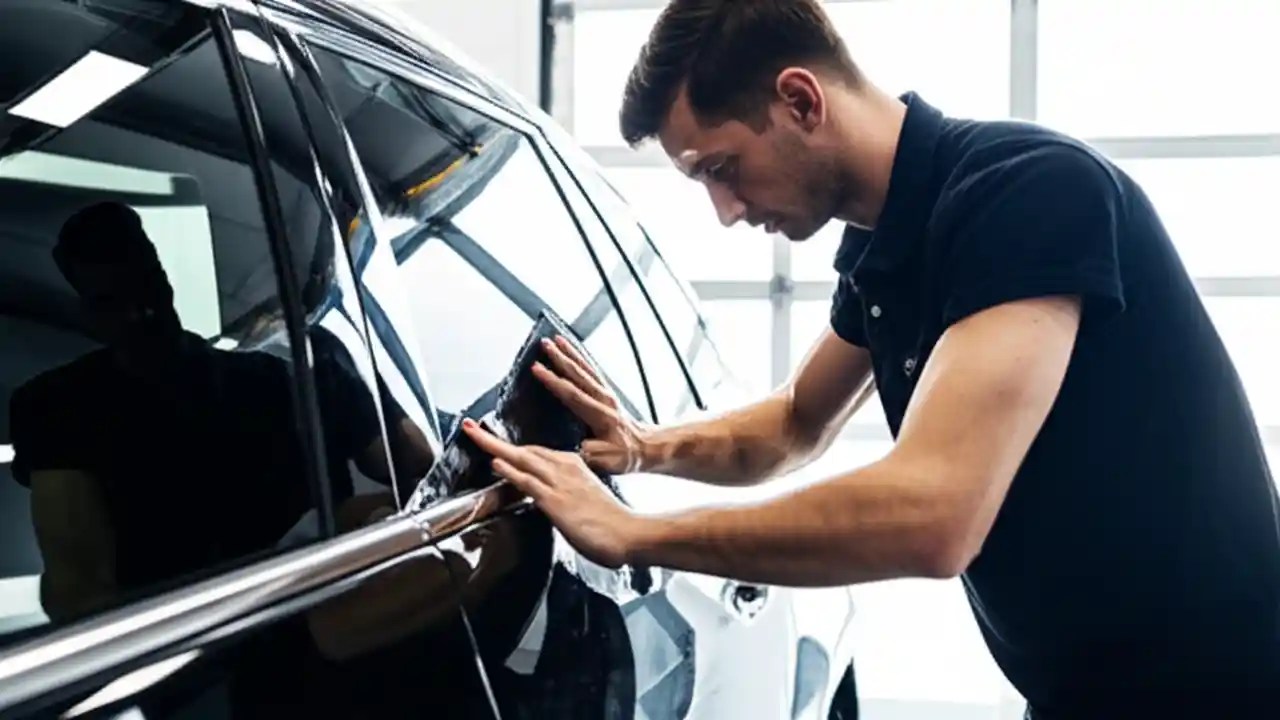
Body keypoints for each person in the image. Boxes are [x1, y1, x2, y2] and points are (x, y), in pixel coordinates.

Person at [459, 1, 1280, 717]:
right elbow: (791, 423)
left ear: (799, 99)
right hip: (1082, 695)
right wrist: (644, 447)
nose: (726, 213)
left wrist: (635, 535)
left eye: (721, 170)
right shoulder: (887, 244)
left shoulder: (1028, 194)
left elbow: (933, 516)